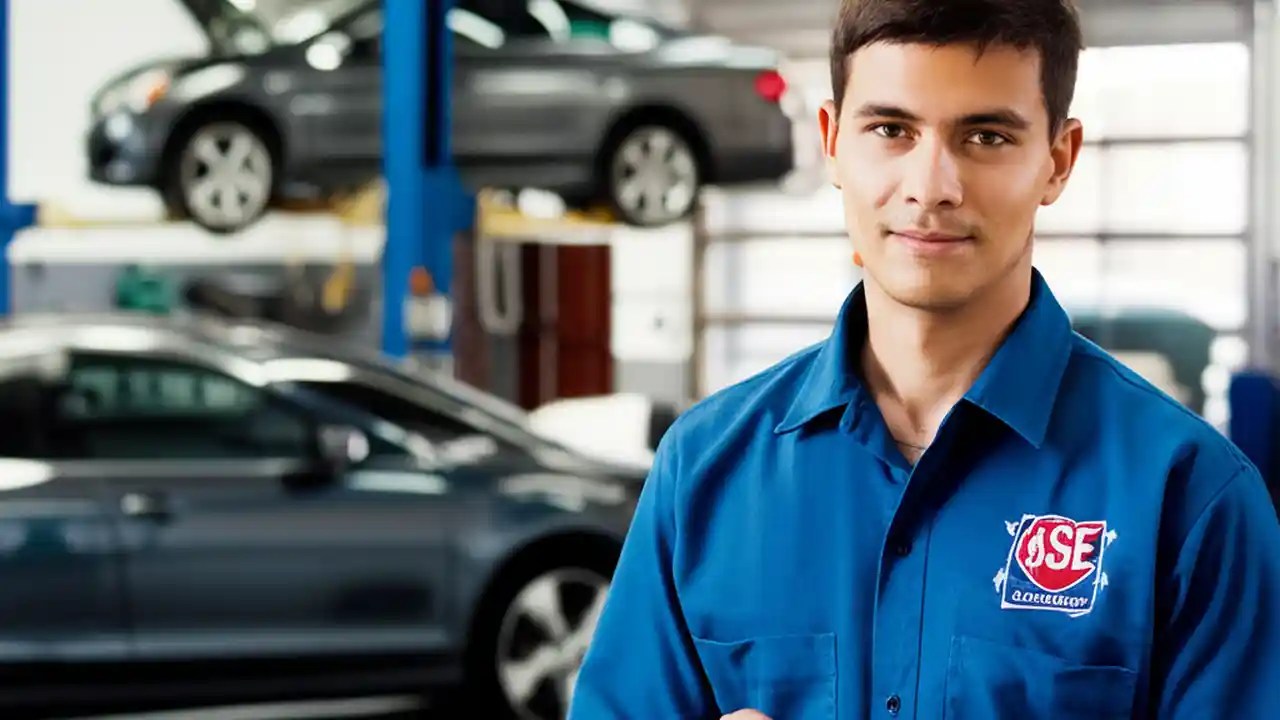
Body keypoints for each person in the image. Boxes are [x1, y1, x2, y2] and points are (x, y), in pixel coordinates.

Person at [568, 0, 1280, 717]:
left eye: (987, 137)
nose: (932, 186)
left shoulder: (1189, 500)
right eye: (890, 130)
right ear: (832, 142)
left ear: (1058, 161)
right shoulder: (704, 472)